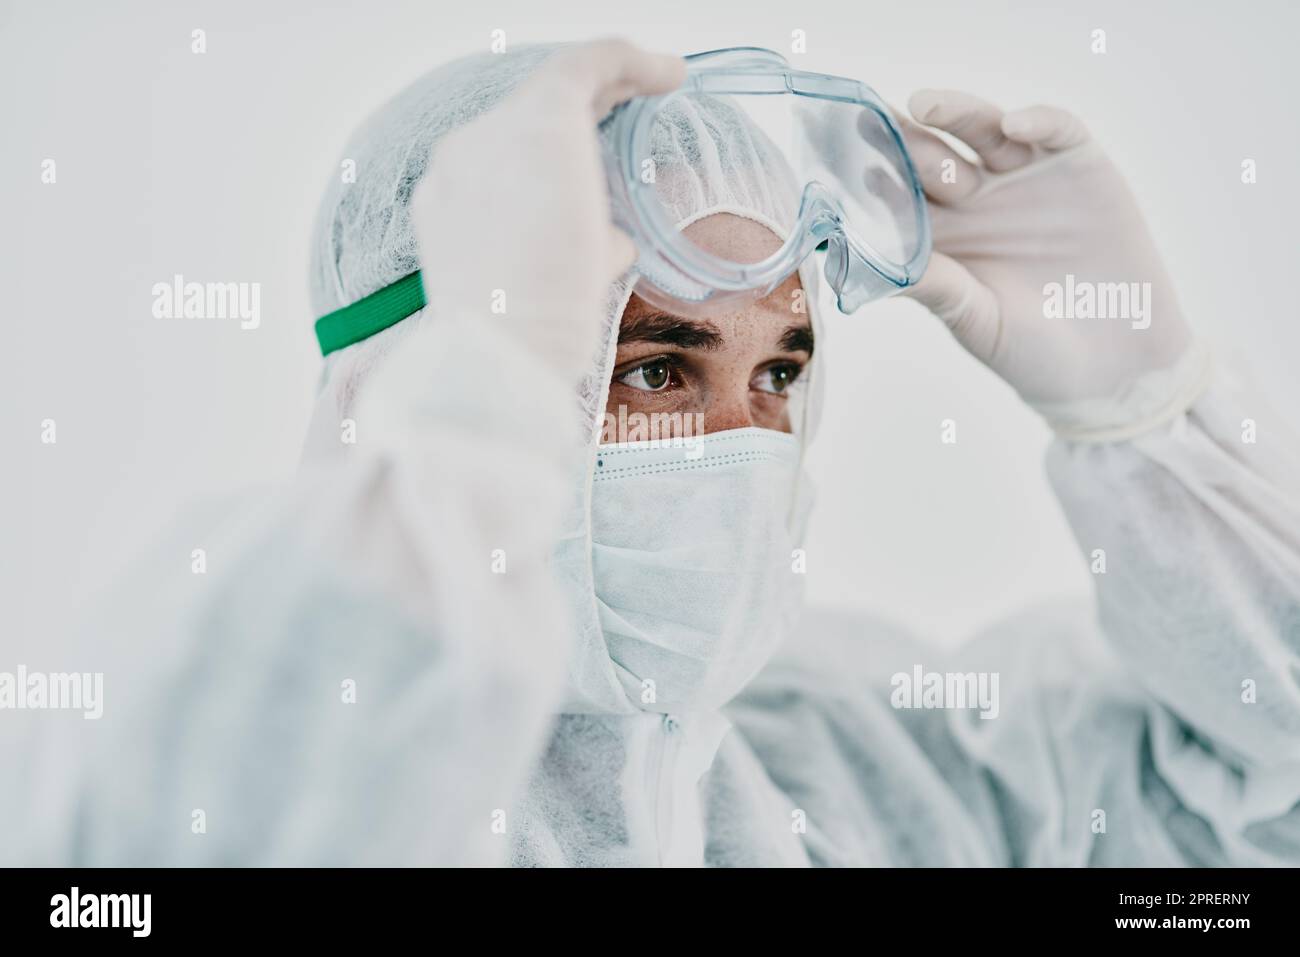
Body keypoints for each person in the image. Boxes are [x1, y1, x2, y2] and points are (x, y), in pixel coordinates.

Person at [6, 39, 1298, 867]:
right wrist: (476, 420)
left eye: (780, 372)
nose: (741, 449)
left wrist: (1151, 424)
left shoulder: (851, 779)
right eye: (654, 368)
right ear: (420, 380)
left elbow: (1262, 804)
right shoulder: (268, 757)